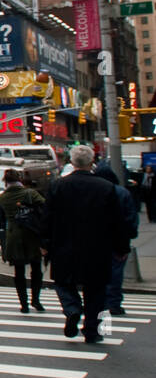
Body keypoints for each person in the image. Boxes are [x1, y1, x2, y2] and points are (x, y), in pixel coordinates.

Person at [42, 146, 129, 342]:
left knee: (63, 283)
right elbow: (117, 220)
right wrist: (121, 247)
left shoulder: (58, 186)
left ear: (72, 163)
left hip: (64, 245)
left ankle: (72, 308)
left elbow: (47, 217)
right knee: (96, 290)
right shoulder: (106, 187)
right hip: (97, 247)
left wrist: (44, 242)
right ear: (92, 163)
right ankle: (92, 330)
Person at [0, 168, 46, 314]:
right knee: (36, 268)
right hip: (32, 234)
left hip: (13, 236)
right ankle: (36, 300)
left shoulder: (2, 197)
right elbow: (45, 206)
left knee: (19, 271)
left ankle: (23, 304)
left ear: (5, 181)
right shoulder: (30, 193)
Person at [94, 160, 138, 318]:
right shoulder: (122, 192)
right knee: (116, 272)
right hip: (118, 239)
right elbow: (131, 217)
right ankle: (113, 303)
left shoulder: (94, 191)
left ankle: (101, 303)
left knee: (98, 273)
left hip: (97, 240)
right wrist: (129, 235)